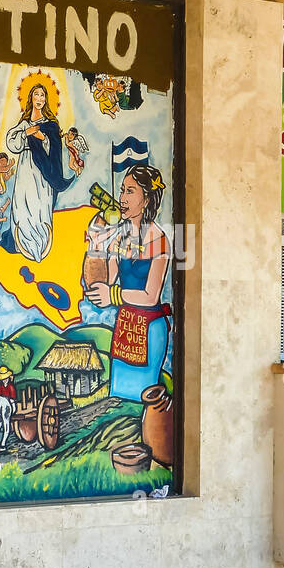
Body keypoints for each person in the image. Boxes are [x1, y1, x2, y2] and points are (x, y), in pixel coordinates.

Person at [83, 164, 172, 401]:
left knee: (143, 401)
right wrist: (96, 245)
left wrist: (113, 295)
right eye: (122, 190)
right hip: (124, 328)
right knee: (118, 400)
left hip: (150, 331)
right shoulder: (119, 238)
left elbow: (150, 296)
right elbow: (101, 283)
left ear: (146, 199)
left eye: (130, 191)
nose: (121, 198)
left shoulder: (159, 240)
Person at [0, 81, 78, 261]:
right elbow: (12, 143)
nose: (40, 99)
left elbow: (55, 148)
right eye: (36, 94)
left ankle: (41, 243)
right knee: (23, 203)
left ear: (46, 100)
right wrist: (27, 133)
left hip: (43, 172)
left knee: (41, 204)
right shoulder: (25, 123)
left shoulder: (50, 125)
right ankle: (24, 244)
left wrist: (43, 138)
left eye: (43, 95)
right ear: (31, 98)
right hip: (26, 168)